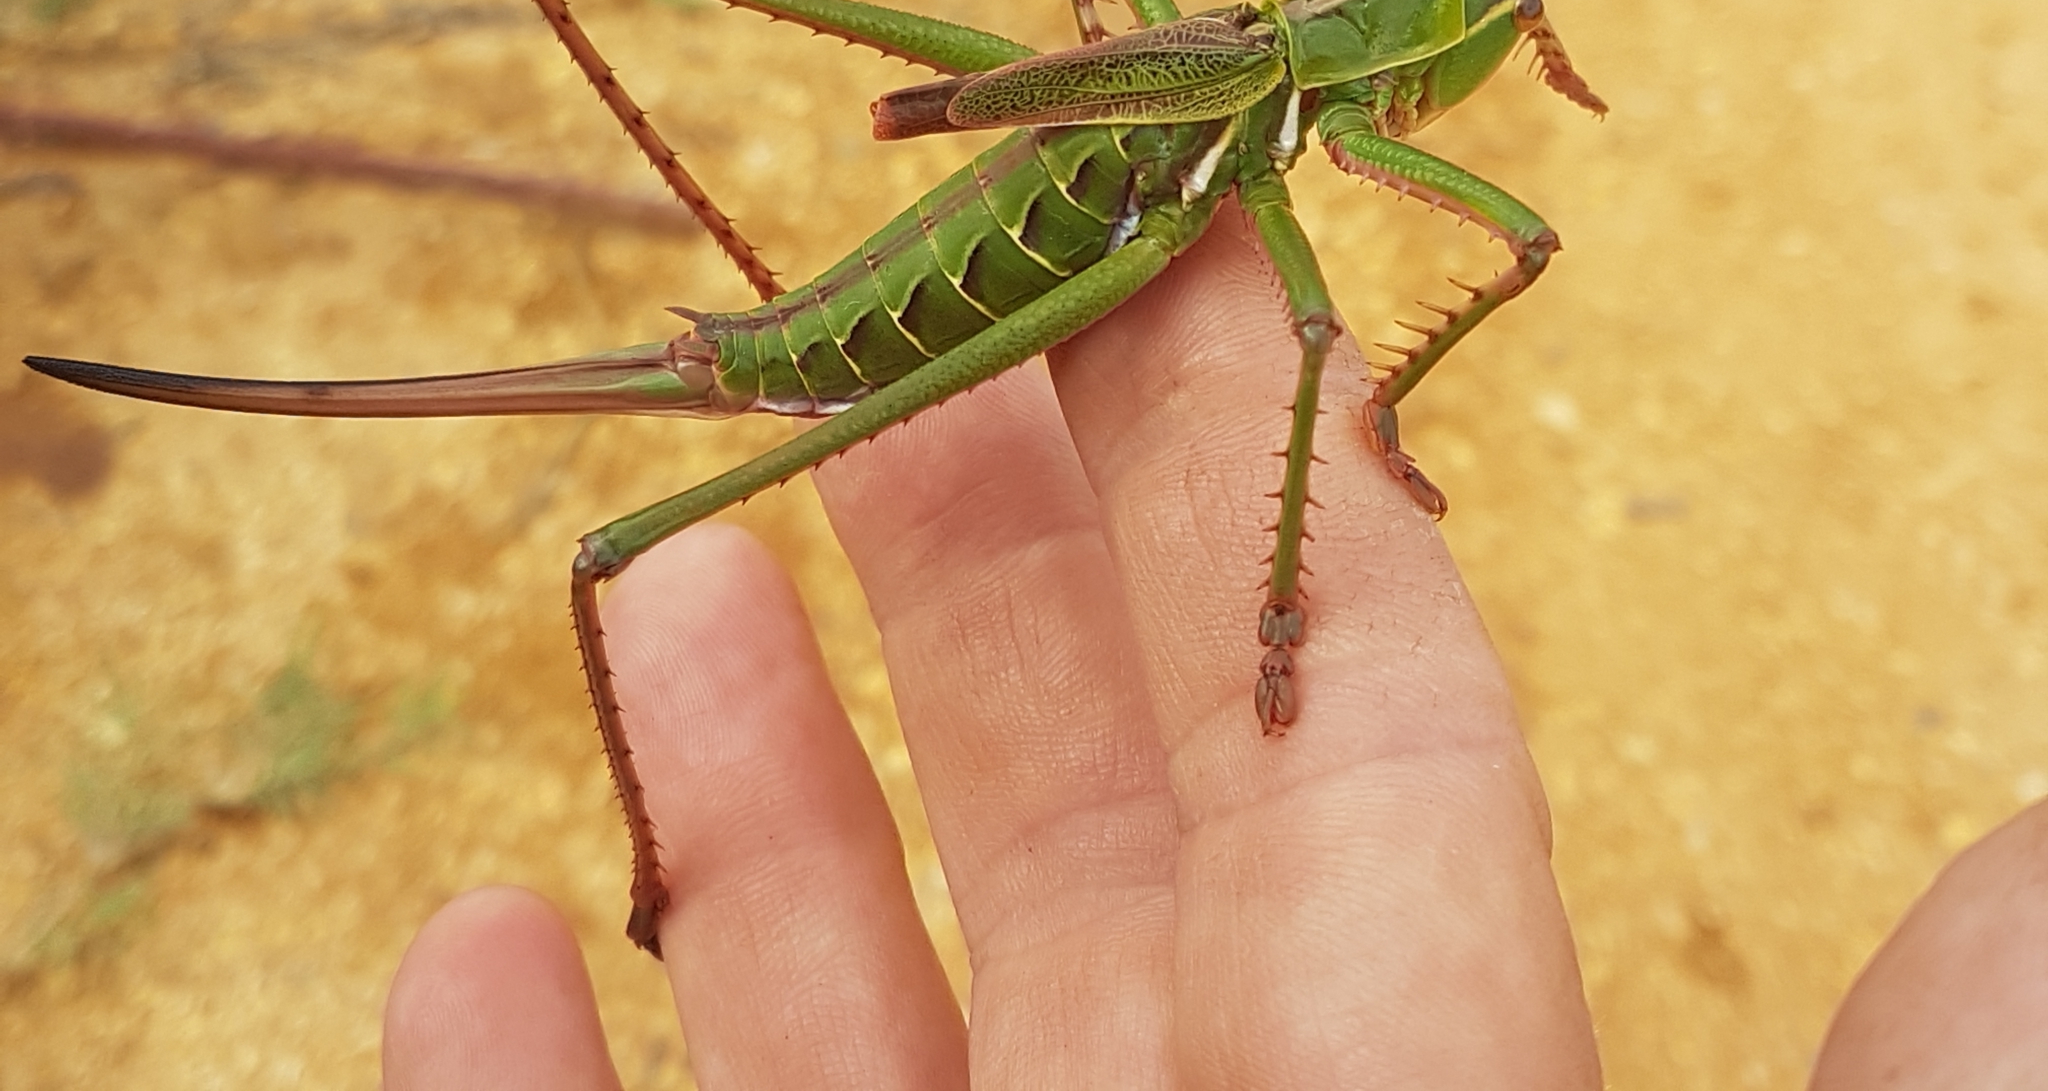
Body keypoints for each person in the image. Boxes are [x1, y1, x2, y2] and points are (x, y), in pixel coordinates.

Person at [379, 215, 2048, 1089]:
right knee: (622, 555)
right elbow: (1331, 328)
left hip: (1118, 161)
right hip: (1001, 247)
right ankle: (665, 841)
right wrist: (1287, 588)